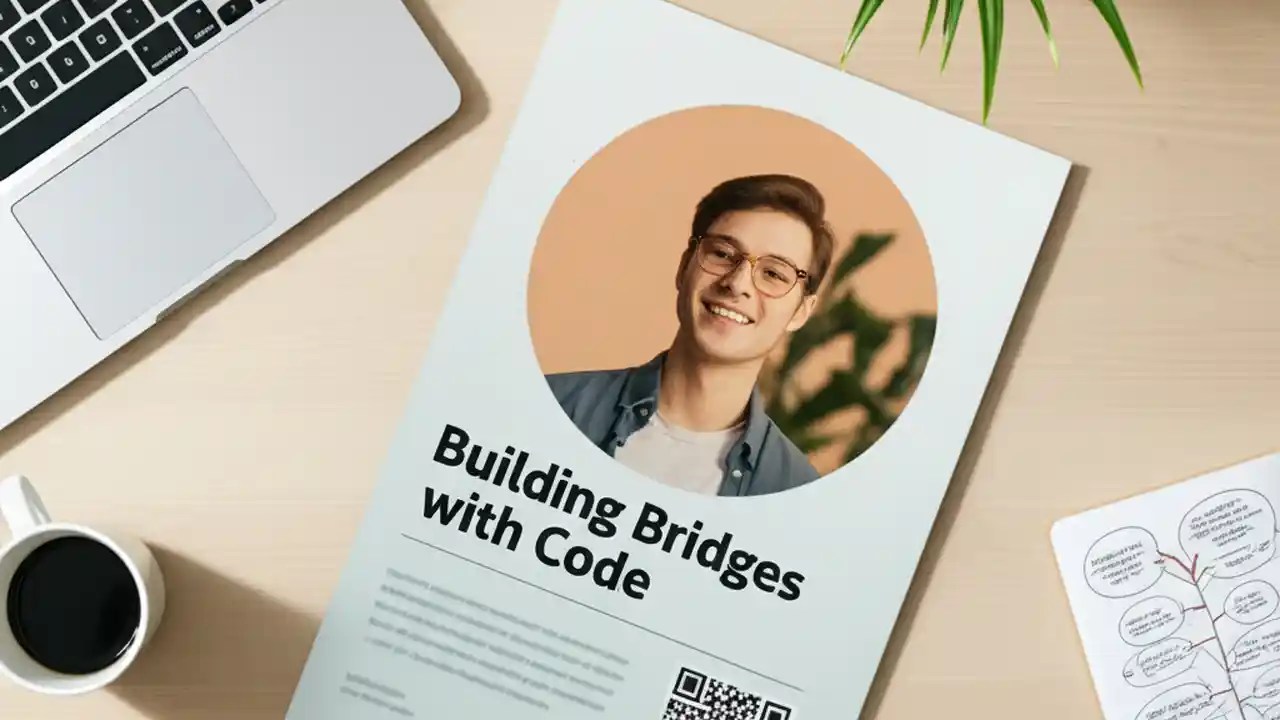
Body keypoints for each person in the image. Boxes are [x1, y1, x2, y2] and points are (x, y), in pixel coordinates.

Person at [545, 174, 836, 497]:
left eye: (773, 274)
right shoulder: (551, 405)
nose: (737, 283)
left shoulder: (795, 493)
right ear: (685, 266)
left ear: (801, 312)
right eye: (723, 254)